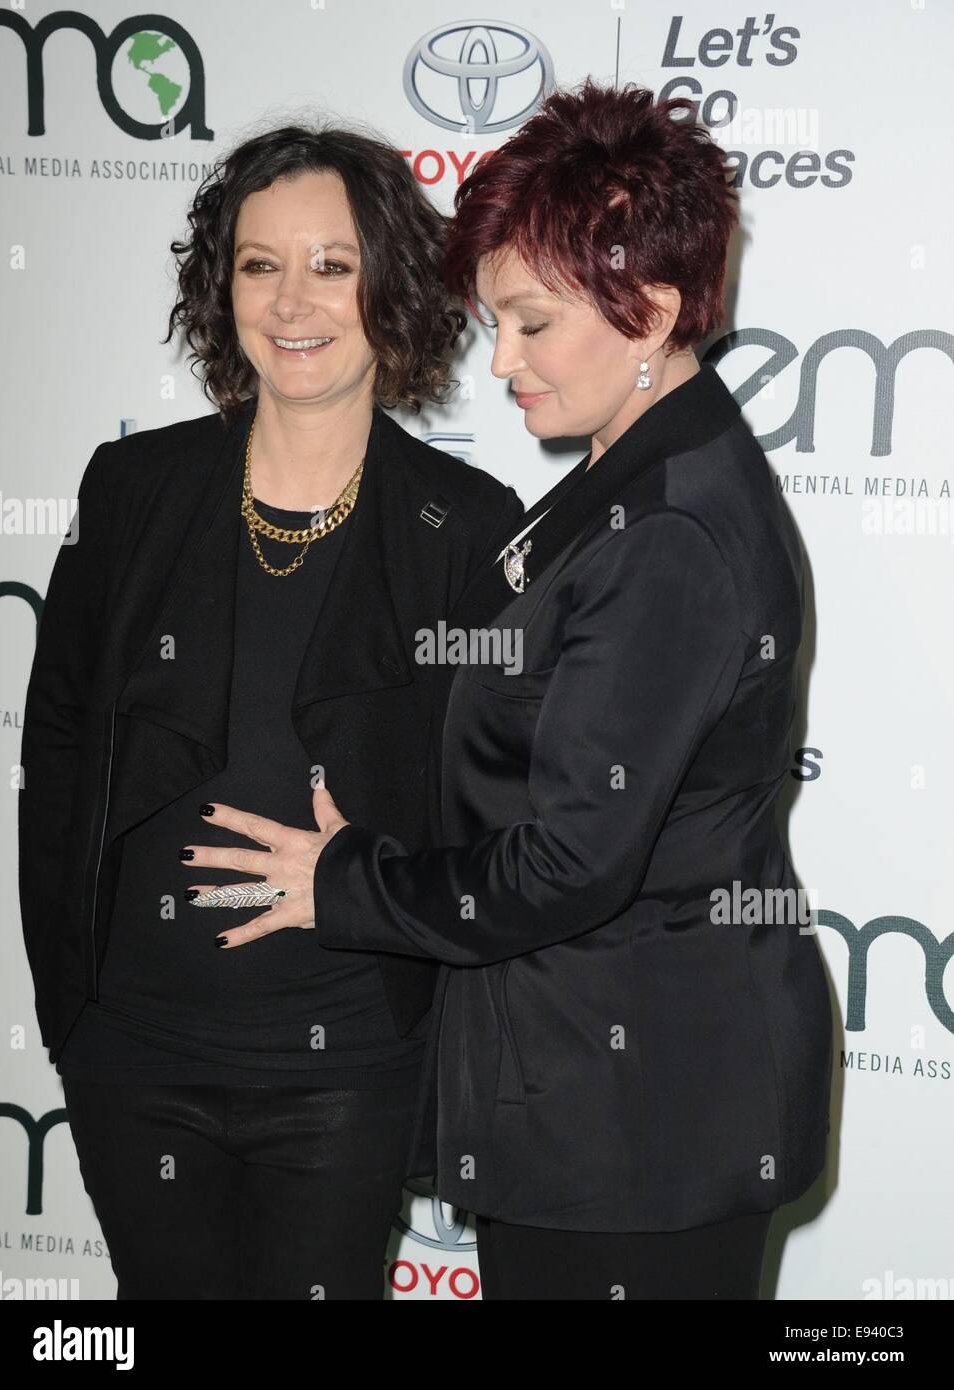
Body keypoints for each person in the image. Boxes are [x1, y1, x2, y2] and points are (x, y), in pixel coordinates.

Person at [186, 81, 834, 1301]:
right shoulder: (628, 473)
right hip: (591, 1094)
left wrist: (345, 884)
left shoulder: (668, 533)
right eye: (494, 322)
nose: (501, 363)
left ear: (645, 312)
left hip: (639, 1124)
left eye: (530, 325)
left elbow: (567, 864)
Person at [17, 120, 522, 1300]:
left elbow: (494, 814)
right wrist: (70, 1009)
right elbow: (55, 745)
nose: (292, 301)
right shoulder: (132, 488)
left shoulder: (467, 525)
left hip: (344, 1064)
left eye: (332, 264)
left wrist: (361, 878)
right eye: (258, 264)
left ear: (389, 286)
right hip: (134, 1054)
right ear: (221, 286)